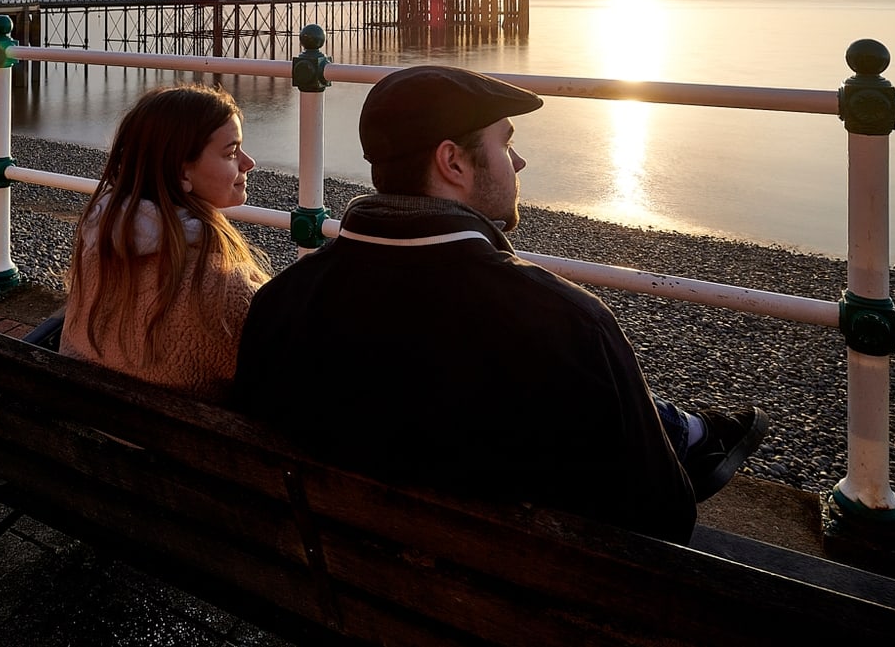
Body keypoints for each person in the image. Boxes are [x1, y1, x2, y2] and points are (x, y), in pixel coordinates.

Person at [232, 65, 766, 543]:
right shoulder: (567, 323)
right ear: (452, 163)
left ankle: (687, 431)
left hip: (334, 582)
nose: (520, 160)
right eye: (504, 143)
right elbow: (664, 520)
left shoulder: (282, 301)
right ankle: (691, 435)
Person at [58, 84, 271, 401]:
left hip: (77, 435)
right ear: (181, 172)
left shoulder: (96, 252)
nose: (248, 162)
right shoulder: (222, 288)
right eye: (230, 152)